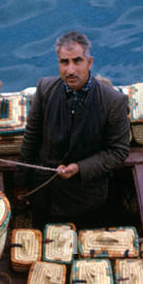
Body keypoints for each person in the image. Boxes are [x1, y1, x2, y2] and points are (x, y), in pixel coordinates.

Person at [16, 31, 130, 228]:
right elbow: (31, 138)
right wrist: (20, 184)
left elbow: (118, 152)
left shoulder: (113, 101)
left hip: (87, 198)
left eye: (77, 61)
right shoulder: (45, 89)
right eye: (64, 62)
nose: (70, 70)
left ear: (89, 62)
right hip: (45, 195)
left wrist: (80, 168)